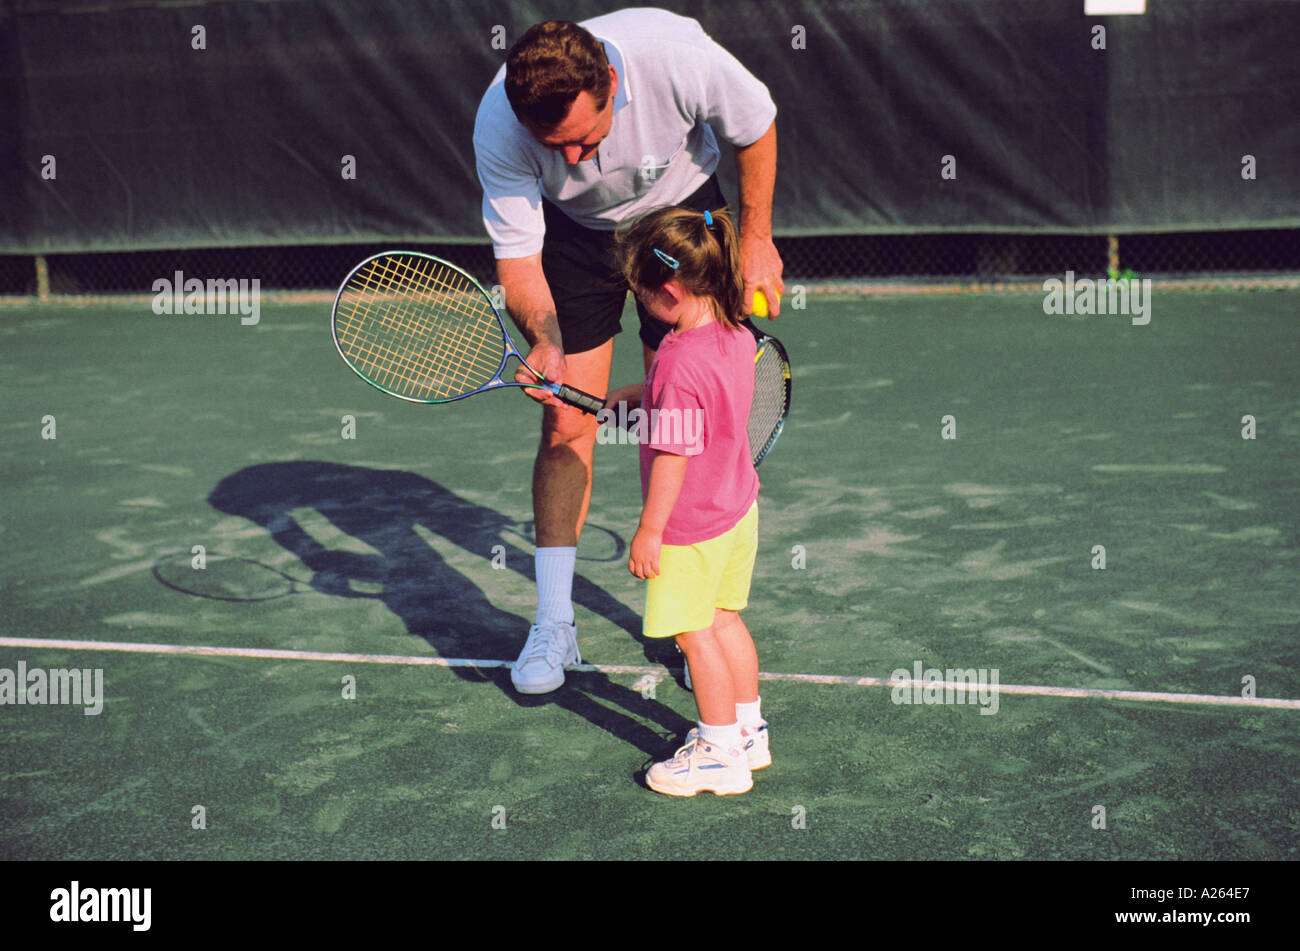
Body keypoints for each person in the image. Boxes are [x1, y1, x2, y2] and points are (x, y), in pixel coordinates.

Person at [472, 9, 783, 694]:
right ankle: (555, 623)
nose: (577, 159)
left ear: (611, 82)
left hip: (680, 214)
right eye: (557, 149)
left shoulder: (673, 52)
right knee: (564, 422)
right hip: (576, 238)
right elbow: (521, 265)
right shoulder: (501, 121)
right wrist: (545, 342)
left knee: (683, 412)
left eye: (583, 138)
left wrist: (756, 239)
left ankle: (688, 614)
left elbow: (756, 126)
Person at [611, 205, 767, 797]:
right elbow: (688, 406)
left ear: (669, 291)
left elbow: (673, 455)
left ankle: (717, 752)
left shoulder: (676, 361)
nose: (639, 305)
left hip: (689, 526)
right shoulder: (734, 331)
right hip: (736, 510)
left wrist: (650, 531)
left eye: (640, 295)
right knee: (725, 620)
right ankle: (750, 733)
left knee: (693, 634)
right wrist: (617, 400)